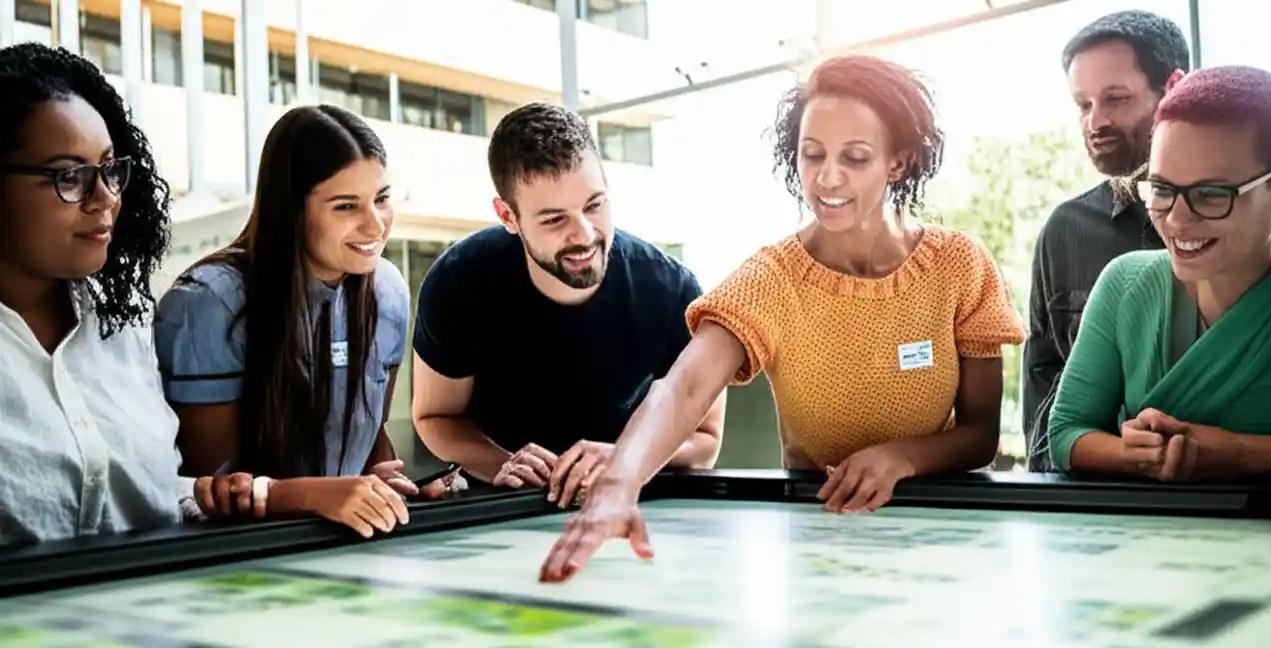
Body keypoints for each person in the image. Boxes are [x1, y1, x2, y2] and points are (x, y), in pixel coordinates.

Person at [539, 54, 1025, 582]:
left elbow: (980, 434)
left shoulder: (959, 265)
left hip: (941, 534)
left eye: (855, 157)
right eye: (812, 154)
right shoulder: (772, 278)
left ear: (898, 162)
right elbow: (683, 387)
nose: (828, 177)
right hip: (819, 536)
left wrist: (900, 459)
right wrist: (618, 486)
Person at [412, 102, 724, 507]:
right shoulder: (458, 282)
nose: (585, 234)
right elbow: (435, 417)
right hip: (499, 507)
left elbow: (705, 441)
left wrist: (627, 458)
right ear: (508, 215)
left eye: (594, 205)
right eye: (554, 219)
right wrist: (503, 466)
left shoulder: (671, 289)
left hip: (625, 503)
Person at [154, 105, 422, 539]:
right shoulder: (209, 303)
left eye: (382, 198)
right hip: (238, 550)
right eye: (346, 206)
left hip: (349, 542)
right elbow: (211, 488)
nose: (375, 224)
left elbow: (371, 436)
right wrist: (318, 494)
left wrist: (383, 481)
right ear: (293, 211)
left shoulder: (387, 291)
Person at [0, 43, 198, 543]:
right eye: (69, 176)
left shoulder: (123, 325)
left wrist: (264, 495)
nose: (106, 197)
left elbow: (155, 495)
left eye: (110, 169)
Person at [1047, 65, 1271, 480]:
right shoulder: (1124, 285)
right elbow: (1066, 433)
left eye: (1211, 194)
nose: (1177, 219)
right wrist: (1135, 454)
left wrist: (1238, 453)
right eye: (1162, 189)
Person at [1022, 10, 1189, 471]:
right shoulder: (1066, 230)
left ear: (1173, 88)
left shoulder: (1250, 220)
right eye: (1083, 104)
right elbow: (1043, 382)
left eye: (1116, 99)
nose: (1096, 122)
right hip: (1092, 506)